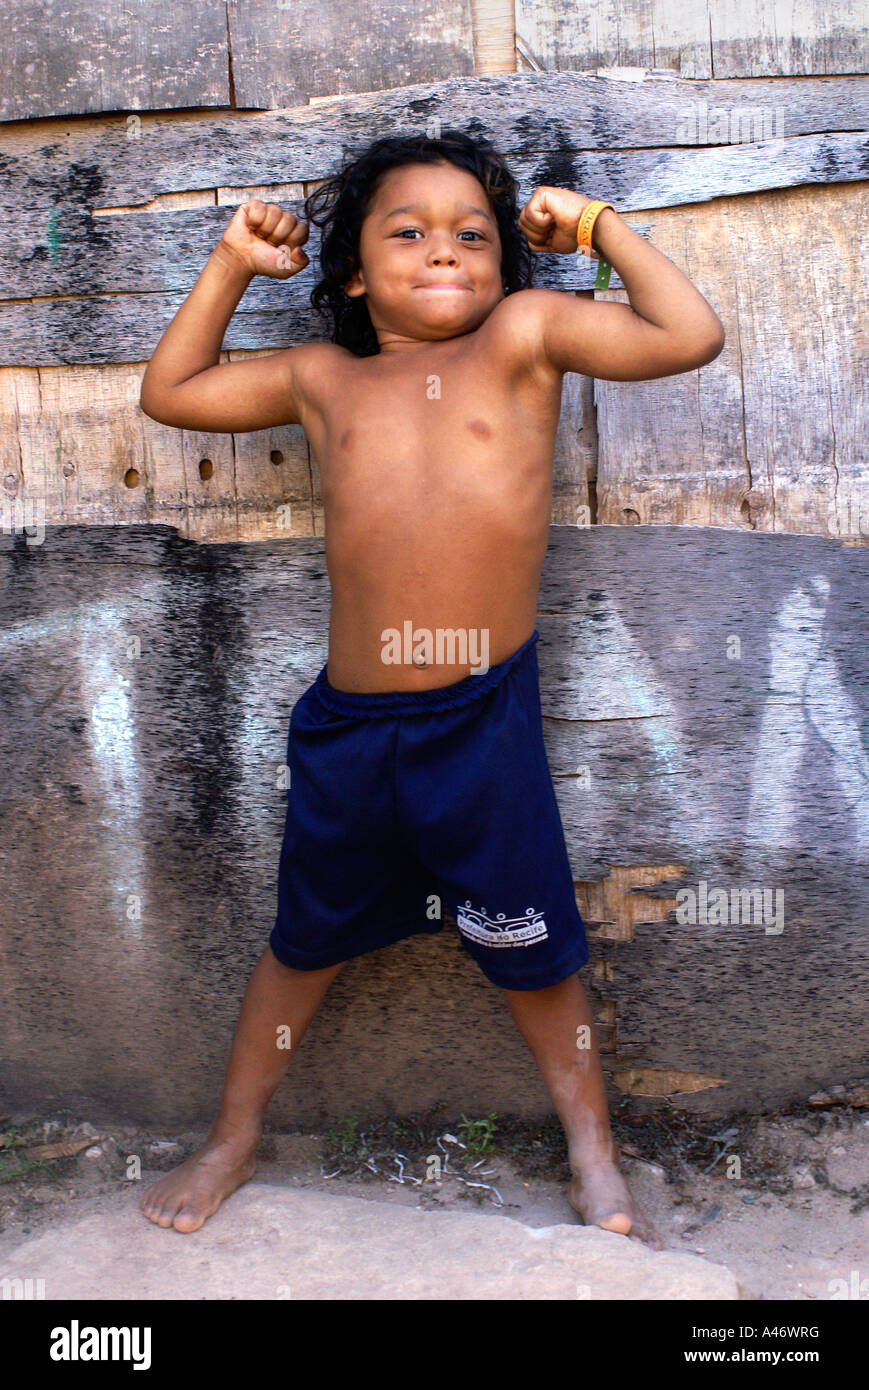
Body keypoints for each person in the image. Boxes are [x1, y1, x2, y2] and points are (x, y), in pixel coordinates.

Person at [138, 130, 725, 1245]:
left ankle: (595, 1149)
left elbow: (688, 334)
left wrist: (594, 226)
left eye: (471, 233)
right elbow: (171, 392)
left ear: (504, 264)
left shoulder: (524, 335)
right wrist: (228, 263)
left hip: (478, 724)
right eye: (405, 232)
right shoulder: (325, 377)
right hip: (351, 733)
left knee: (535, 950)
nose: (442, 249)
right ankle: (230, 1138)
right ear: (354, 274)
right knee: (300, 947)